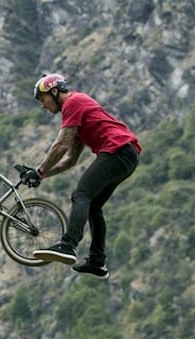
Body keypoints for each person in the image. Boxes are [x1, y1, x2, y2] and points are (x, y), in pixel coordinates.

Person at [25, 73, 141, 278]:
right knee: (93, 205)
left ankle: (68, 244)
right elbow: (70, 160)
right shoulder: (75, 114)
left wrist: (39, 170)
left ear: (54, 91)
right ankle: (97, 261)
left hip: (117, 150)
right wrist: (42, 176)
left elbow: (60, 144)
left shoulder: (73, 102)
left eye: (43, 100)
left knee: (81, 195)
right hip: (126, 155)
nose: (43, 106)